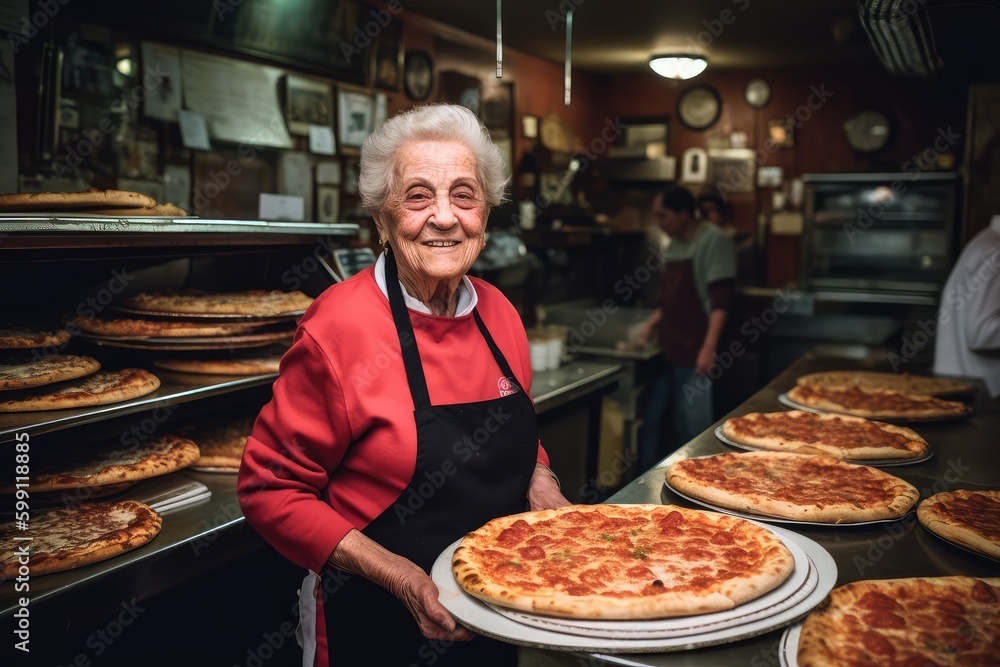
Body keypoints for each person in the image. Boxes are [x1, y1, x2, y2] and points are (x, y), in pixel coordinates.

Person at [237, 103, 570, 667]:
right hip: (369, 621)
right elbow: (270, 491)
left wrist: (543, 481)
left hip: (495, 606)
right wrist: (399, 577)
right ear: (382, 220)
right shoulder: (338, 326)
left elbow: (514, 432)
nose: (444, 217)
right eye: (418, 196)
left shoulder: (501, 314)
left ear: (485, 213)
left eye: (464, 194)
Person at [635, 185, 737, 470]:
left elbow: (721, 302)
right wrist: (649, 327)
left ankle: (702, 483)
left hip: (698, 350)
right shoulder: (675, 244)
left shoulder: (714, 241)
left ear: (683, 214)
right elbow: (671, 298)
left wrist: (709, 348)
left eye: (663, 216)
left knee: (697, 429)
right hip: (672, 349)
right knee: (668, 421)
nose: (659, 222)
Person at [932, 214, 1000, 397]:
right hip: (979, 393)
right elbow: (981, 334)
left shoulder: (988, 242)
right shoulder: (996, 250)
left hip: (968, 386)